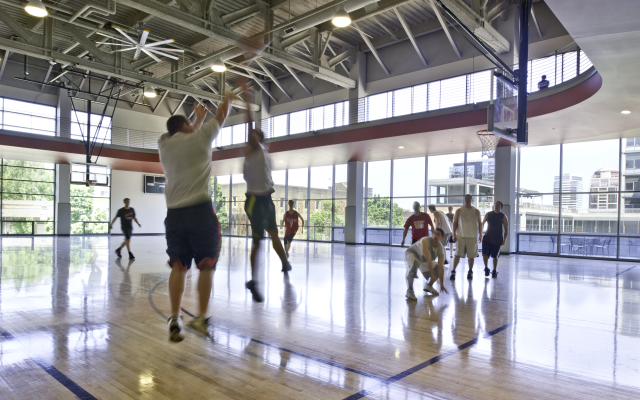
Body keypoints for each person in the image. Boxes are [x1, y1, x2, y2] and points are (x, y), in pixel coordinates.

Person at [158, 91, 235, 342]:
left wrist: (196, 120)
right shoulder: (201, 138)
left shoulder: (164, 144)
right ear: (186, 126)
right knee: (206, 265)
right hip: (200, 212)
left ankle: (174, 317)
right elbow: (221, 116)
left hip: (174, 215)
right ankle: (200, 318)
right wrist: (228, 99)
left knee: (178, 265)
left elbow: (182, 133)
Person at [242, 88, 292, 303]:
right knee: (257, 242)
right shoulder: (253, 148)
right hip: (254, 201)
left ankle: (284, 262)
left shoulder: (263, 151)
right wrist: (246, 99)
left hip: (267, 200)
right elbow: (250, 125)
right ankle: (253, 280)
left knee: (273, 236)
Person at [405, 228, 449, 301]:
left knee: (438, 269)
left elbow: (441, 267)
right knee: (412, 271)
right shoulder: (424, 241)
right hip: (412, 254)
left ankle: (429, 286)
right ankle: (409, 291)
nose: (435, 235)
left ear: (442, 238)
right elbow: (428, 259)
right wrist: (432, 275)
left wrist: (441, 284)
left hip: (423, 259)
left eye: (438, 234)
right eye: (434, 233)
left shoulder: (440, 248)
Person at [451, 194, 483, 280]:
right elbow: (455, 222)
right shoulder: (459, 210)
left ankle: (470, 271)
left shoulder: (476, 211)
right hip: (461, 235)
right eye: (466, 198)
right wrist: (453, 233)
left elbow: (480, 223)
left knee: (471, 256)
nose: (467, 199)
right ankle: (453, 271)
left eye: (469, 198)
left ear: (471, 200)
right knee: (457, 254)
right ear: (464, 199)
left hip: (472, 236)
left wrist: (480, 234)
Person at [481, 201, 509, 278]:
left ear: (501, 207)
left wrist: (504, 240)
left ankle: (494, 270)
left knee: (495, 256)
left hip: (497, 238)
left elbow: (506, 229)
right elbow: (482, 223)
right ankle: (486, 268)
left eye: (498, 204)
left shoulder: (503, 216)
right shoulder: (488, 214)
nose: (496, 205)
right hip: (487, 237)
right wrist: (480, 233)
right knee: (485, 254)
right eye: (496, 204)